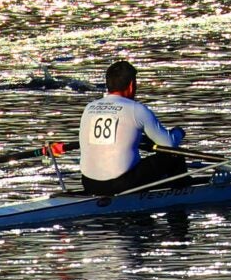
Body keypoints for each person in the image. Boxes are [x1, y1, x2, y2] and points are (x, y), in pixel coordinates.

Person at [78, 60, 190, 196]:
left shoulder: (89, 107)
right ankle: (183, 194)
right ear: (131, 85)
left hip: (89, 183)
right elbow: (169, 143)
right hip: (122, 185)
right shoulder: (136, 109)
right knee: (174, 155)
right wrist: (178, 132)